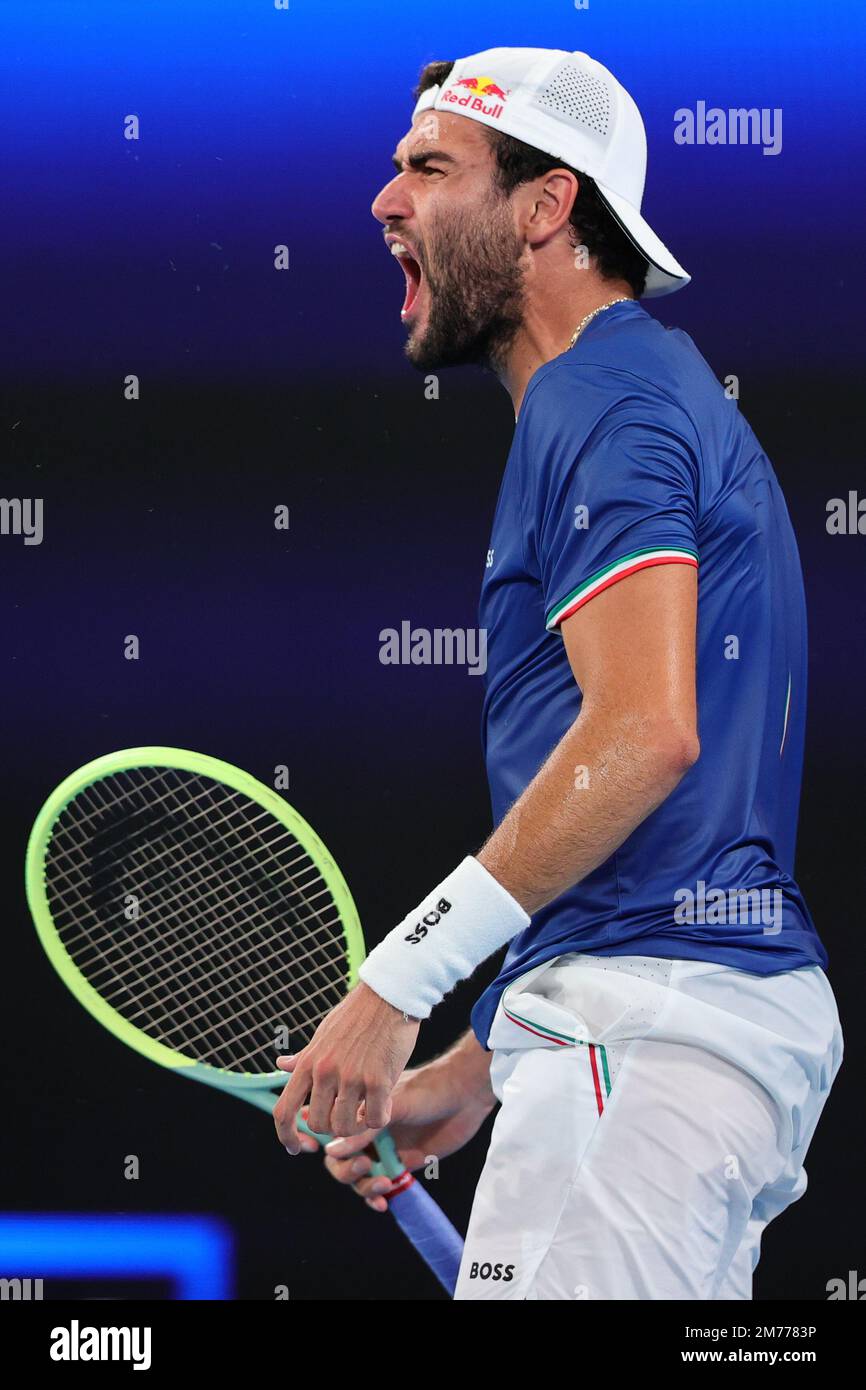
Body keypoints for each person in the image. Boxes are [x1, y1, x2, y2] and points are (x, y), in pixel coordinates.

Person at [274, 47, 843, 1300]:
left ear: (545, 208)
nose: (385, 201)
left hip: (643, 1043)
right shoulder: (638, 390)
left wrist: (395, 984)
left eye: (428, 167)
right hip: (668, 1037)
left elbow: (645, 735)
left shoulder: (601, 398)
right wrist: (474, 1069)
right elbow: (670, 823)